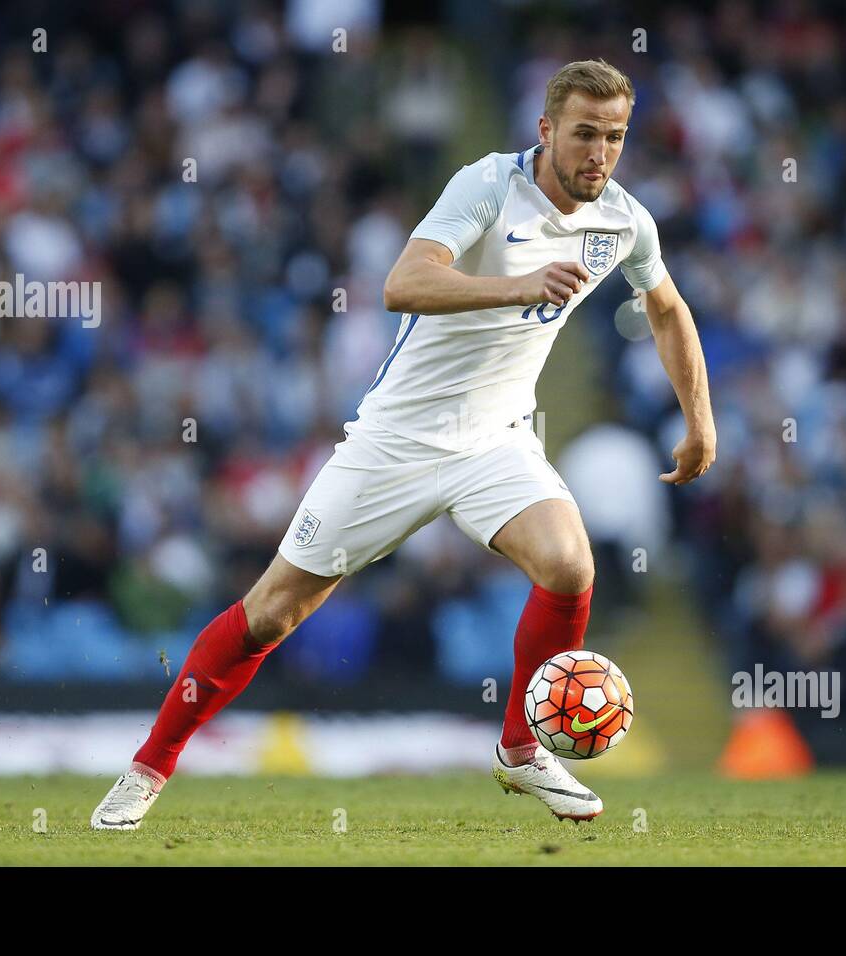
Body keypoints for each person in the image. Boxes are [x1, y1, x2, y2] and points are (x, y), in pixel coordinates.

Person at [91, 58, 717, 829]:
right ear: (547, 129)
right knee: (272, 613)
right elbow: (404, 283)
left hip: (496, 440)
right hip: (396, 442)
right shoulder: (486, 184)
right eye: (585, 133)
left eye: (615, 137)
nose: (599, 153)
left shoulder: (624, 220)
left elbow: (667, 309)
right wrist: (519, 286)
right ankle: (149, 767)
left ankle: (522, 750)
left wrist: (700, 420)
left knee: (569, 564)